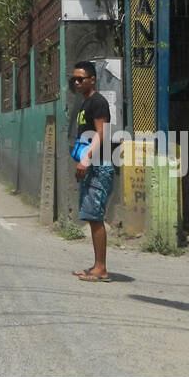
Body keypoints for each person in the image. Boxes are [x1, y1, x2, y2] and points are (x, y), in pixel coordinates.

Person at [69, 60, 114, 282]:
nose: (77, 82)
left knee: (96, 217)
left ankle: (101, 269)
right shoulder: (86, 103)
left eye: (81, 78)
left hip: (99, 166)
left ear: (92, 79)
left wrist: (86, 159)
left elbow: (101, 133)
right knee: (91, 216)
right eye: (74, 79)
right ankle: (96, 265)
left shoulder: (98, 102)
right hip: (91, 166)